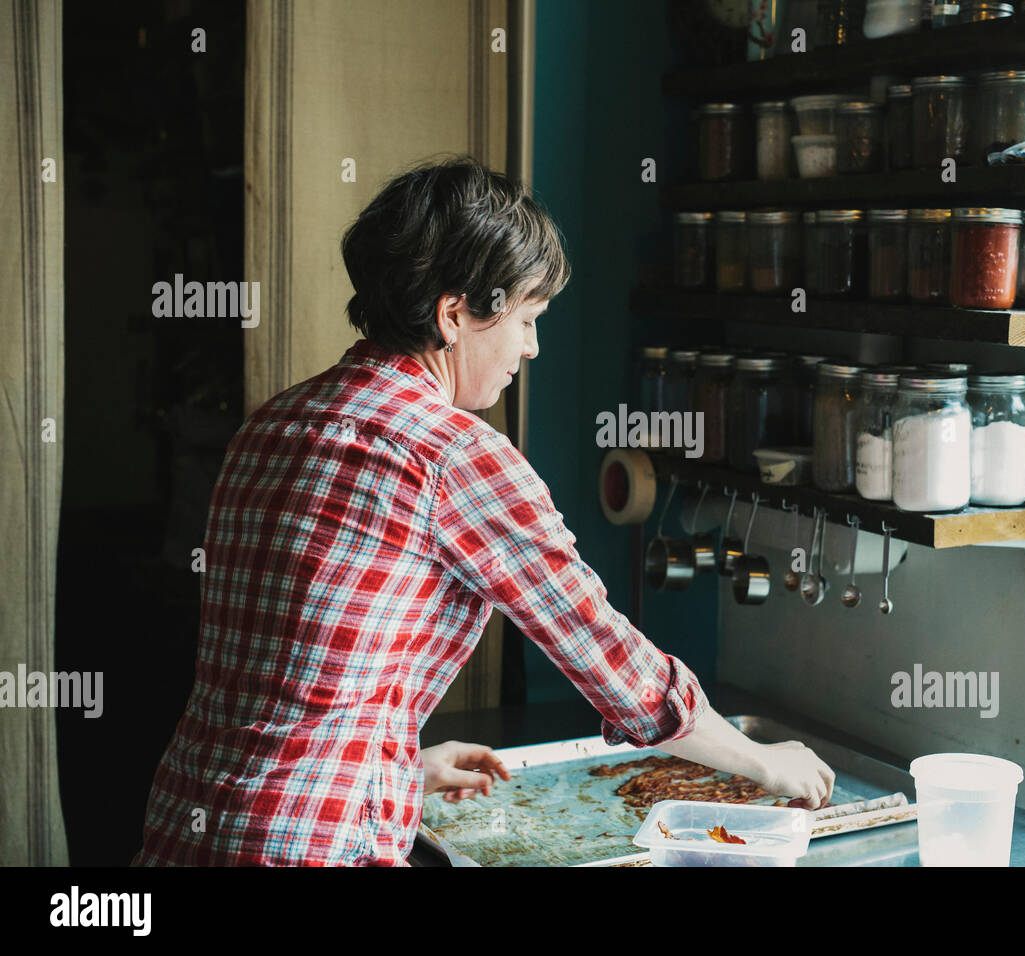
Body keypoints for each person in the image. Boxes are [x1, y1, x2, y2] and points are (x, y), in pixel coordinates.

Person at [132, 156, 834, 866]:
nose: (531, 346)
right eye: (526, 318)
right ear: (454, 314)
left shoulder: (273, 423)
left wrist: (396, 770)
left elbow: (283, 687)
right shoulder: (452, 455)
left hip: (183, 825)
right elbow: (614, 664)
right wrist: (760, 761)